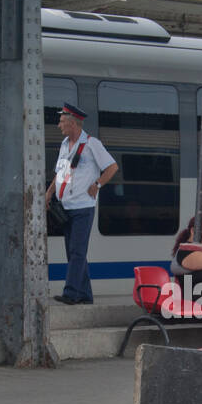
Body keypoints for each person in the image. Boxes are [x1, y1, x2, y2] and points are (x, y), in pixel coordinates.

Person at [43, 102, 118, 304]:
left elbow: (112, 166)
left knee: (77, 251)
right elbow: (60, 173)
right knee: (74, 251)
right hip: (66, 206)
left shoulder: (92, 144)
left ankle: (71, 293)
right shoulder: (64, 145)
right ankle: (85, 295)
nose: (59, 126)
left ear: (73, 124)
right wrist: (49, 193)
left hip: (83, 207)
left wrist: (98, 184)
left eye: (61, 122)